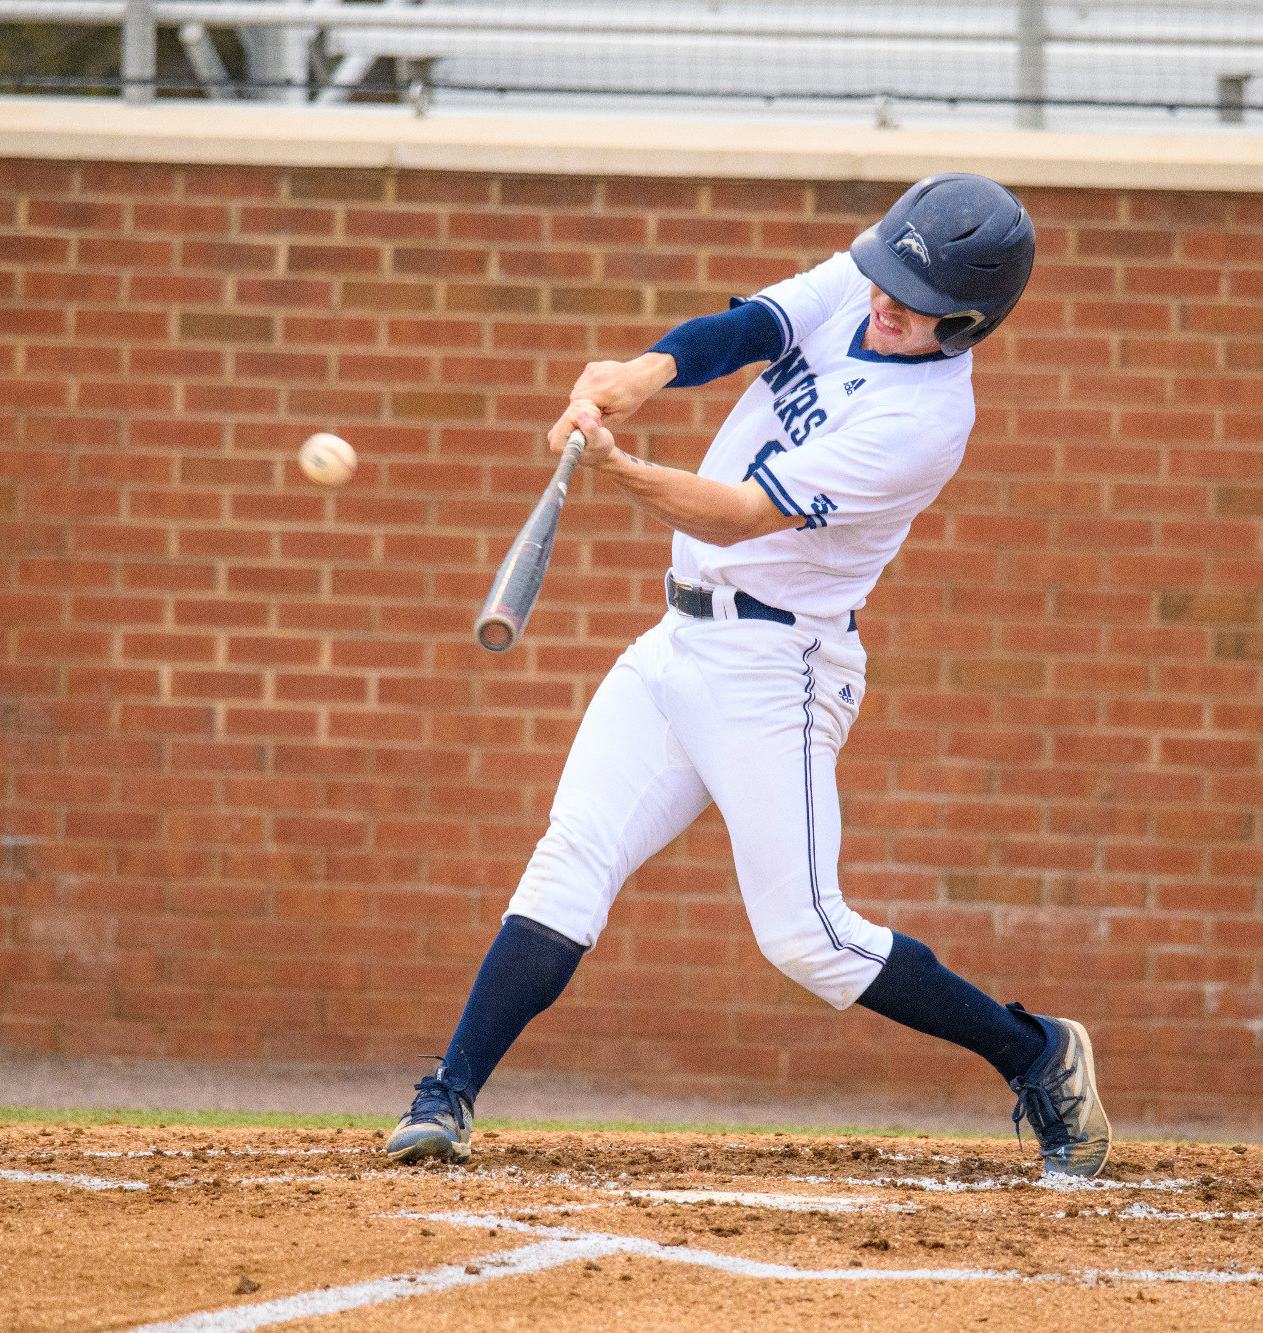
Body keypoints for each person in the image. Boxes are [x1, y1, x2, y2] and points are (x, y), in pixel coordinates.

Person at [386, 173, 1111, 1177]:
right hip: (676, 645)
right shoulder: (865, 287)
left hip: (781, 667)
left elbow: (736, 514)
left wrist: (619, 469)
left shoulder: (923, 423)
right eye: (884, 277)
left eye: (915, 302)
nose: (885, 302)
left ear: (966, 327)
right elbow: (753, 327)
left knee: (805, 936)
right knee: (572, 856)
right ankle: (447, 1094)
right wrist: (639, 375)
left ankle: (1036, 1053)